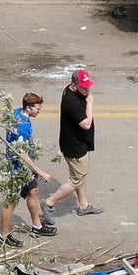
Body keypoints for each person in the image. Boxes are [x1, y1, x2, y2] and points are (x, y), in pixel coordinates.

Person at [0, 93, 59, 247]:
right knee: (11, 201)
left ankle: (37, 226)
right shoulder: (23, 126)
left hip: (24, 167)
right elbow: (22, 154)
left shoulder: (17, 112)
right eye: (37, 109)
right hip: (17, 169)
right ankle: (3, 236)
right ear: (29, 108)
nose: (39, 111)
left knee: (33, 191)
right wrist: (40, 172)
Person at [42, 70, 101, 216]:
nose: (87, 90)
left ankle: (84, 205)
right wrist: (90, 104)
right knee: (76, 179)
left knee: (79, 175)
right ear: (74, 85)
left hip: (74, 142)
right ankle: (49, 203)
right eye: (83, 87)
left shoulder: (70, 90)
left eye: (88, 86)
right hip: (75, 146)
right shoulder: (73, 102)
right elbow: (86, 124)